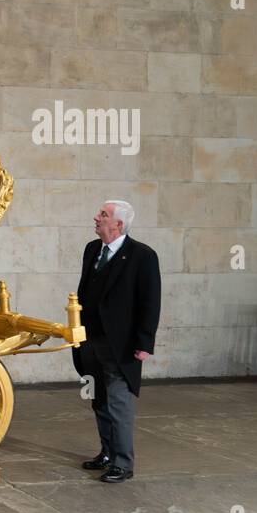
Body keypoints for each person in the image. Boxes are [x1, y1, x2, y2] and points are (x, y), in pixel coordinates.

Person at [72, 200, 161, 483]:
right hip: (91, 340)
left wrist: (145, 343)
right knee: (99, 400)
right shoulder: (91, 249)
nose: (96, 217)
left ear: (118, 224)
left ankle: (123, 462)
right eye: (99, 212)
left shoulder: (142, 256)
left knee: (119, 403)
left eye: (103, 215)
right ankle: (108, 453)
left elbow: (151, 301)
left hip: (121, 344)